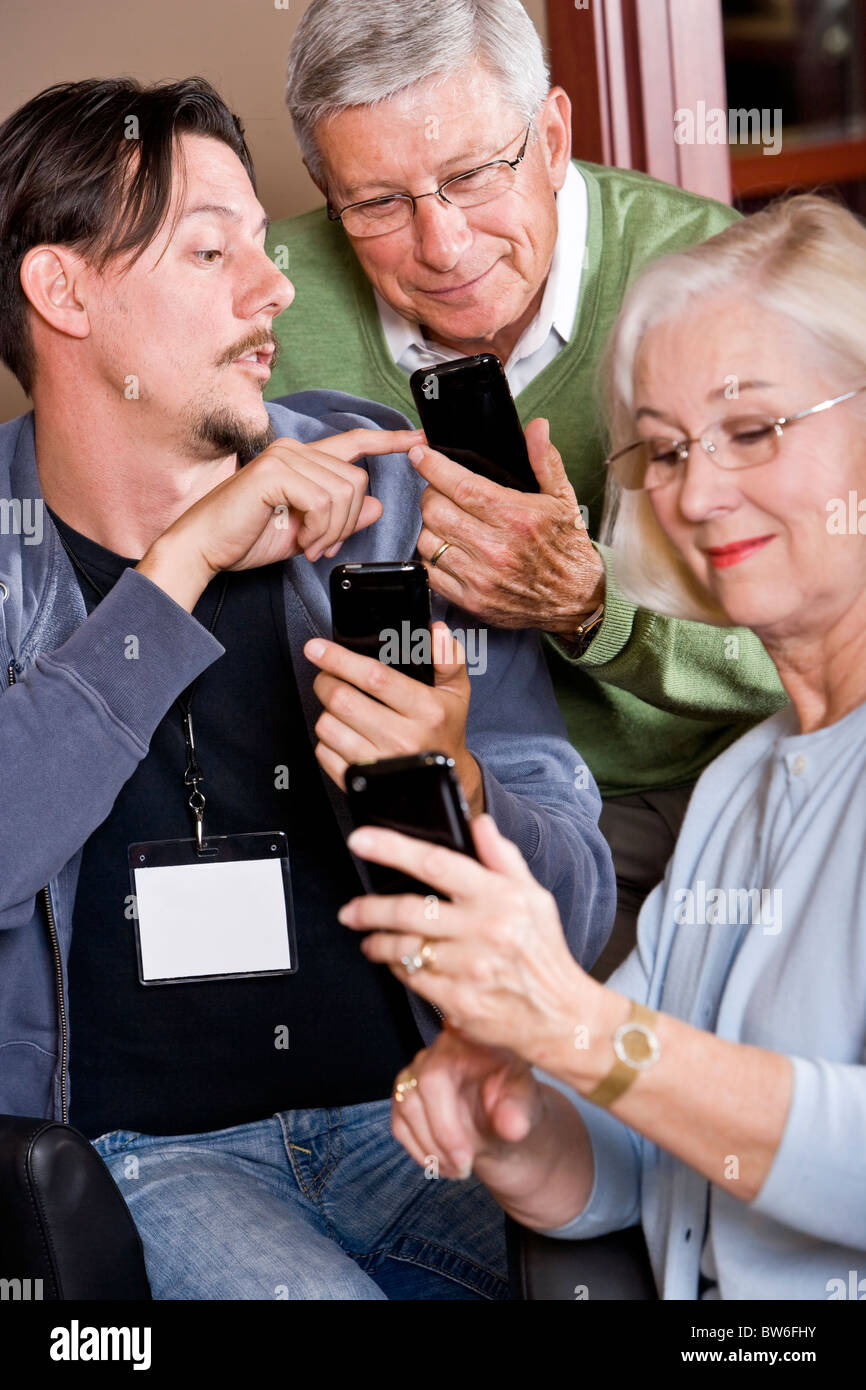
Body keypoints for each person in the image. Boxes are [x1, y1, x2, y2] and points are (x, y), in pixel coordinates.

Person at [0, 76, 616, 1301]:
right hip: (152, 1162)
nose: (272, 289)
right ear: (61, 291)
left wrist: (459, 788)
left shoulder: (393, 498)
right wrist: (177, 572)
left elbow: (581, 907)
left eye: (266, 251)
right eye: (209, 250)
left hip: (421, 1114)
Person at [336, 195, 866, 1299]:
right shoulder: (736, 789)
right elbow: (638, 1161)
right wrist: (506, 1124)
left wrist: (581, 1027)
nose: (696, 492)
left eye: (753, 428)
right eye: (664, 450)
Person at [265, 0, 789, 974]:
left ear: (549, 137)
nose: (443, 244)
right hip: (404, 807)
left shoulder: (706, 283)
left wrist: (594, 610)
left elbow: (824, 633)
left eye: (471, 176)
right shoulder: (261, 297)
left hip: (704, 783)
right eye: (377, 203)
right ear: (324, 190)